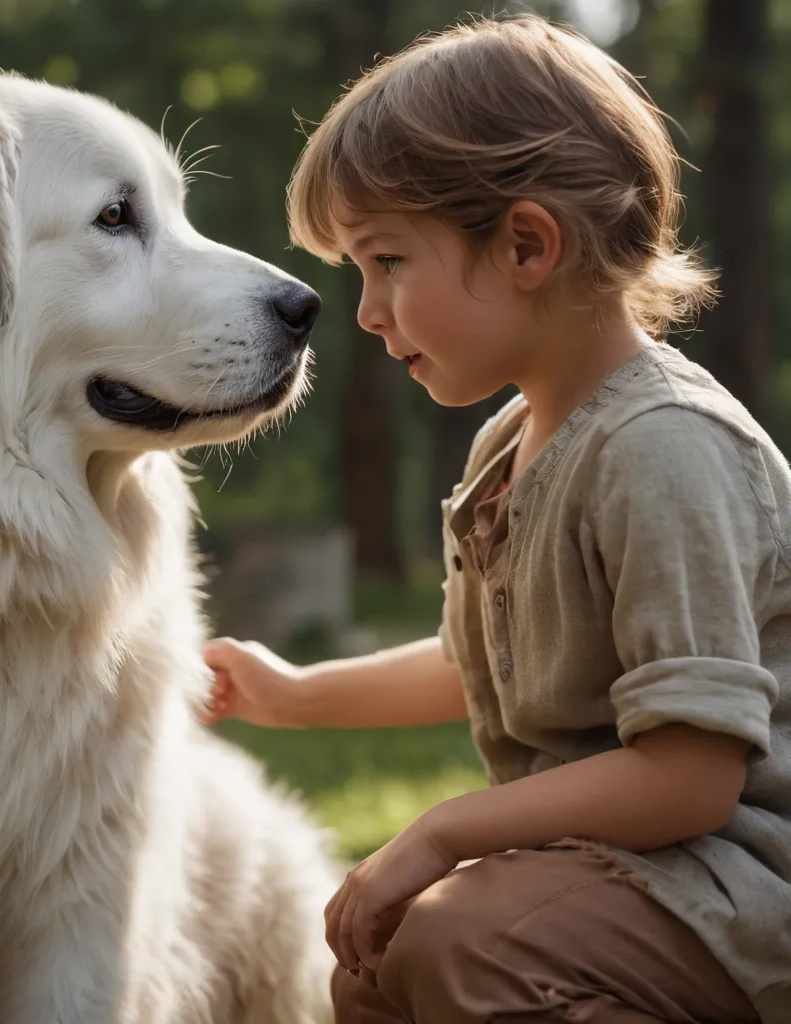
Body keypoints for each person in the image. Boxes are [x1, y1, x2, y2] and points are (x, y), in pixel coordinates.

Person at [200, 14, 790, 1024]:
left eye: (386, 261)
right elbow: (484, 659)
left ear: (525, 244)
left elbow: (691, 776)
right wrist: (295, 695)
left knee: (462, 940)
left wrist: (446, 831)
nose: (368, 311)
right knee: (374, 961)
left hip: (732, 891)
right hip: (612, 878)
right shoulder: (512, 444)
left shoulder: (664, 449)